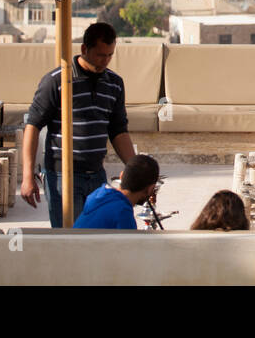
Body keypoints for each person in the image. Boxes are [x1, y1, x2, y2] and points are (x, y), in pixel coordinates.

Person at [20, 22, 137, 228]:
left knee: (96, 237)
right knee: (69, 241)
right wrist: (27, 175)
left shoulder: (115, 83)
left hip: (96, 174)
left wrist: (135, 168)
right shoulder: (57, 81)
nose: (105, 61)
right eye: (101, 55)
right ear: (84, 49)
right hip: (62, 176)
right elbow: (33, 126)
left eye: (110, 55)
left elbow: (118, 130)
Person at [73, 153, 160, 230]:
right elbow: (129, 246)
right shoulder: (122, 213)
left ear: (121, 176)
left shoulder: (98, 194)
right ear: (150, 189)